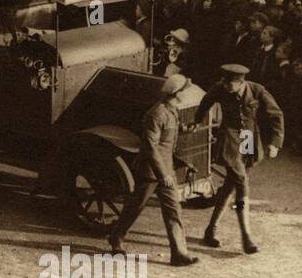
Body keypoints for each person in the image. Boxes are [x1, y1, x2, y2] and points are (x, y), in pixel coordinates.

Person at [190, 63, 285, 254]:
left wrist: (275, 142)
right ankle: (246, 235)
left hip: (247, 137)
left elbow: (276, 114)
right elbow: (206, 101)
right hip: (230, 137)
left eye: (230, 85)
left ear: (241, 83)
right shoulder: (220, 87)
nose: (226, 87)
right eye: (224, 83)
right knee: (241, 181)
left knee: (231, 184)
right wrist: (197, 120)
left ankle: (211, 229)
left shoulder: (257, 90)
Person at [107, 74, 199, 266]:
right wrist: (162, 174)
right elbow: (151, 147)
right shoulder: (156, 114)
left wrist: (185, 128)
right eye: (185, 91)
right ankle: (116, 238)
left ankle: (179, 253)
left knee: (174, 210)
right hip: (150, 172)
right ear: (176, 93)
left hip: (166, 171)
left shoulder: (171, 110)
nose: (187, 95)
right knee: (134, 208)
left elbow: (169, 131)